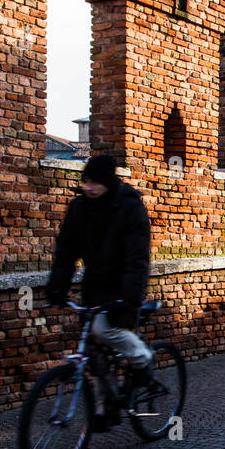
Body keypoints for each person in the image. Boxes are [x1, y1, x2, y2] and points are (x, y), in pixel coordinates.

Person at [45, 154, 160, 430]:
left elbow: (137, 256)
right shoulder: (79, 208)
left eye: (95, 182)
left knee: (103, 331)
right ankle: (105, 407)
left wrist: (130, 297)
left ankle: (143, 357)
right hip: (95, 287)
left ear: (108, 182)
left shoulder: (130, 207)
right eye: (86, 181)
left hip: (124, 288)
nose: (89, 187)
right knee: (94, 353)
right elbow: (66, 252)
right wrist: (57, 289)